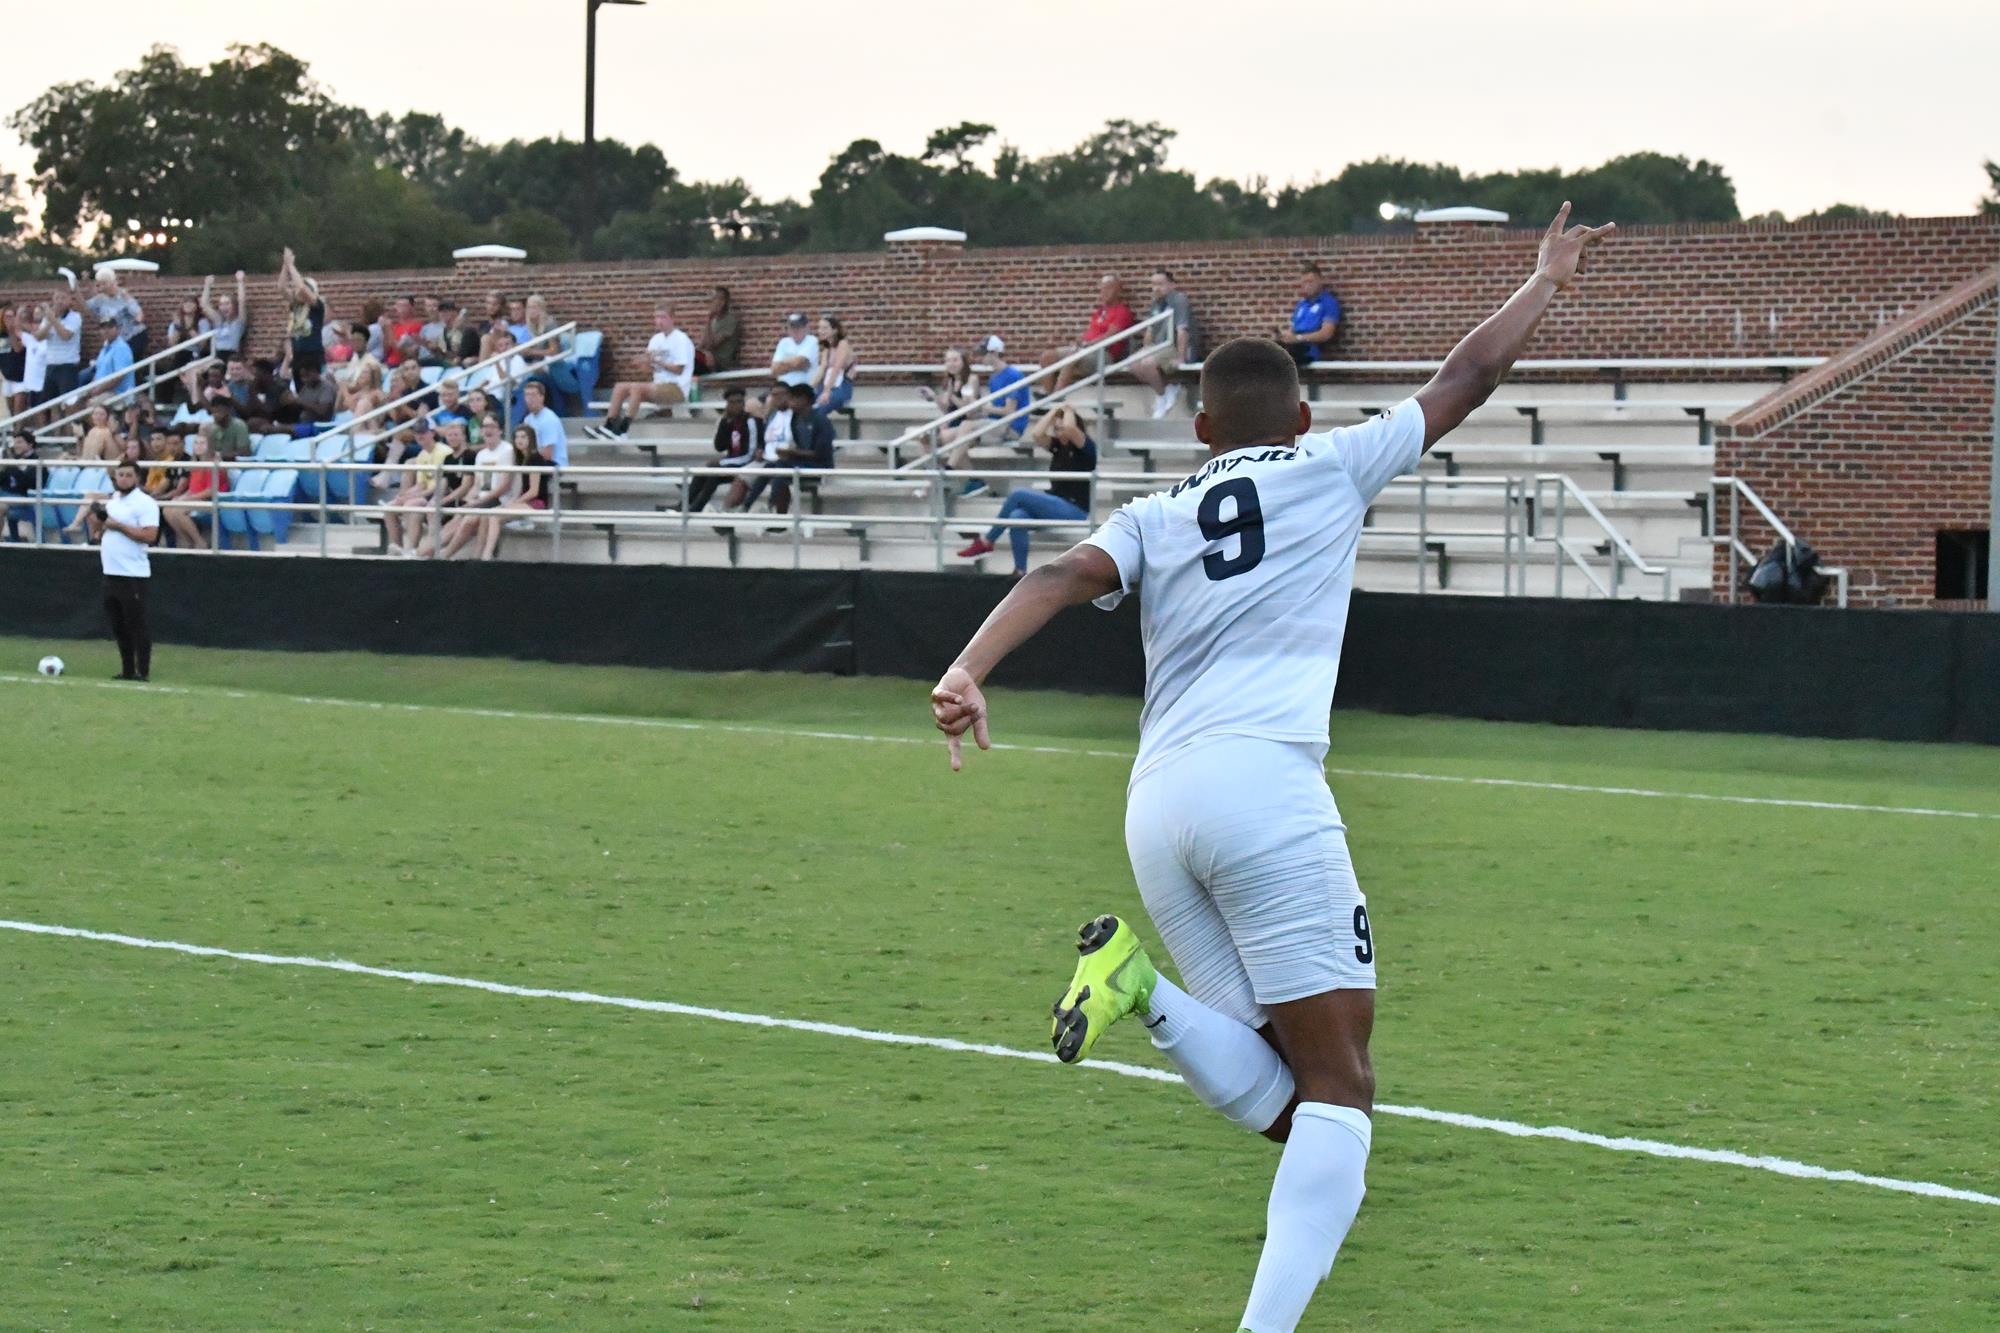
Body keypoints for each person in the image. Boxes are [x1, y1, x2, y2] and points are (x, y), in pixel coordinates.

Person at [927, 205, 1616, 1333]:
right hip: (1264, 790)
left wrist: (964, 668)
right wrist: (1543, 279)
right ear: (1300, 414)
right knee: (1340, 1089)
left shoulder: (1153, 512)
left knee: (1287, 1093)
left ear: (1199, 427)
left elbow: (1052, 576)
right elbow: (1467, 374)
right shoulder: (1330, 464)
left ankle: (1135, 988)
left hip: (1158, 808)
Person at [954, 403, 1098, 574]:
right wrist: (1053, 412)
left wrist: (1067, 409)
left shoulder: (1086, 448)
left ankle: (987, 541)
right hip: (1054, 504)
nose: (1060, 432)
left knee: (1018, 494)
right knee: (1017, 517)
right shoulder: (1058, 447)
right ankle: (1020, 570)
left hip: (1075, 509)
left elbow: (1069, 426)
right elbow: (1037, 434)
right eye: (1056, 429)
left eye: (1062, 429)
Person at [85, 460, 161, 680]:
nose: (124, 479)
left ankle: (142, 670)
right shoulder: (114, 501)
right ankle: (127, 669)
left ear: (137, 478)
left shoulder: (145, 503)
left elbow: (149, 536)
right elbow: (99, 530)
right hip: (111, 571)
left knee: (136, 623)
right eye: (120, 475)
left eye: (128, 475)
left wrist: (118, 525)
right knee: (118, 625)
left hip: (133, 574)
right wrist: (96, 519)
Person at [936, 336, 1030, 498]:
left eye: (983, 354)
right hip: (993, 424)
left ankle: (947, 472)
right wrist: (976, 409)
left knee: (966, 426)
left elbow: (1009, 411)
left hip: (1010, 427)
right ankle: (976, 480)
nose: (980, 358)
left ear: (994, 353)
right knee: (944, 437)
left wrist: (982, 406)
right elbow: (991, 411)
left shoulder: (1013, 375)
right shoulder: (994, 378)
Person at [593, 305, 694, 439]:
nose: (659, 321)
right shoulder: (655, 340)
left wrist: (657, 362)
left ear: (672, 318)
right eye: (656, 317)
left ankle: (623, 429)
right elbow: (652, 369)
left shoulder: (681, 340)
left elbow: (679, 370)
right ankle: (609, 425)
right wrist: (644, 364)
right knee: (620, 387)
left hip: (676, 388)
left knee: (636, 388)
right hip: (658, 385)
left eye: (663, 317)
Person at [1129, 268, 1202, 418]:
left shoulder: (1179, 300)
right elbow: (1150, 331)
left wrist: (1181, 358)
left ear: (1171, 285)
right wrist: (1145, 348)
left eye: (1160, 284)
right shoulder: (1156, 304)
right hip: (1160, 348)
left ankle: (1162, 397)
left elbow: (1183, 331)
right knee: (1133, 364)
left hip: (1175, 348)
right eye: (1153, 284)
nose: (1156, 288)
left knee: (1148, 363)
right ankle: (1166, 388)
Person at [1042, 275, 1135, 391]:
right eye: (1102, 289)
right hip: (1086, 350)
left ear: (1118, 291)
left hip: (1103, 355)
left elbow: (1110, 337)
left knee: (1073, 356)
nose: (1104, 292)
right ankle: (1048, 396)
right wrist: (1080, 341)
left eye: (1108, 289)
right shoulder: (1101, 311)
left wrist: (1087, 345)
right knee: (1047, 356)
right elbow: (1091, 332)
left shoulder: (1122, 312)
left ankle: (1056, 397)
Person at [685, 387, 762, 512]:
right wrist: (724, 423)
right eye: (732, 403)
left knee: (713, 473)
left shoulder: (752, 422)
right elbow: (719, 447)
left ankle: (695, 509)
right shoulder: (728, 422)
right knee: (702, 472)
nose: (736, 405)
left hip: (746, 466)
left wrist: (721, 463)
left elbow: (749, 454)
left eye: (739, 402)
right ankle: (683, 505)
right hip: (731, 465)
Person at [383, 418, 452, 556]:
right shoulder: (422, 455)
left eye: (423, 432)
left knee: (413, 504)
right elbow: (421, 484)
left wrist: (413, 496)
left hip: (442, 494)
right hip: (428, 493)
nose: (420, 435)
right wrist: (403, 495)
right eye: (417, 433)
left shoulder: (444, 452)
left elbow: (441, 485)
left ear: (432, 433)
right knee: (390, 507)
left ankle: (411, 550)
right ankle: (396, 547)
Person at [767, 381, 835, 515]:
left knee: (781, 470)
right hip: (801, 463)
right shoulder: (795, 419)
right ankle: (748, 506)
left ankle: (774, 507)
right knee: (770, 467)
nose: (789, 402)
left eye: (792, 398)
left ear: (804, 400)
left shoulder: (820, 421)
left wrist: (792, 452)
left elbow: (821, 454)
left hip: (820, 466)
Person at [1278, 262, 1342, 368]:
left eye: (1311, 282)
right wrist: (1285, 336)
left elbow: (1326, 334)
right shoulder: (1302, 304)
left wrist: (1298, 338)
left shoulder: (1328, 302)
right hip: (1294, 346)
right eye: (1304, 282)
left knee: (1279, 358)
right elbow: (1292, 330)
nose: (1308, 286)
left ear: (1320, 280)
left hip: (1309, 351)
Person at [280, 249, 327, 374]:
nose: (297, 290)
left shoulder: (317, 305)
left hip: (313, 354)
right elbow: (281, 287)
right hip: (298, 354)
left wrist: (291, 265)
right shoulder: (295, 305)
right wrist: (285, 265)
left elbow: (301, 288)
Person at [34, 288, 84, 405]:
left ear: (69, 301)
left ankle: (71, 423)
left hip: (67, 366)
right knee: (52, 404)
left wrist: (53, 319)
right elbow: (39, 337)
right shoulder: (48, 317)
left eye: (63, 298)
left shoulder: (75, 317)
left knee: (69, 404)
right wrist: (50, 321)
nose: (59, 301)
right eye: (57, 298)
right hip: (51, 365)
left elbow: (65, 335)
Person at [85, 273, 148, 361]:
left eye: (104, 284)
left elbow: (137, 312)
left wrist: (138, 318)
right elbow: (85, 306)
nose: (101, 287)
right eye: (99, 284)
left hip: (134, 336)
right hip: (117, 338)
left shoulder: (123, 295)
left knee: (126, 363)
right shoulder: (100, 299)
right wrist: (76, 288)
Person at [199, 270, 248, 360]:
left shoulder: (238, 322)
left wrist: (240, 282)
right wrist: (207, 285)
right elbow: (204, 305)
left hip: (231, 356)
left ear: (233, 305)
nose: (224, 307)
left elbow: (242, 301)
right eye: (221, 304)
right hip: (216, 355)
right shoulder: (219, 321)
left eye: (227, 303)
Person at [812, 315, 856, 413]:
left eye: (825, 328)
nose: (821, 331)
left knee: (820, 409)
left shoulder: (843, 344)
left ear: (834, 330)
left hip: (841, 386)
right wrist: (808, 388)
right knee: (801, 403)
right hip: (824, 385)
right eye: (819, 328)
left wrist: (827, 391)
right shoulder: (826, 346)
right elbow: (822, 369)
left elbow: (837, 368)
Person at [519, 379, 569, 467]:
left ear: (542, 397)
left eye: (533, 395)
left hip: (554, 466)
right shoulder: (527, 419)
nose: (529, 399)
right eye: (527, 395)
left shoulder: (549, 419)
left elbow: (547, 454)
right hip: (537, 463)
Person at [2, 428, 39, 541]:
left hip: (24, 497)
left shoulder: (37, 462)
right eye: (15, 442)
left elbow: (31, 484)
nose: (16, 446)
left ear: (30, 444)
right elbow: (5, 481)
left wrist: (15, 468)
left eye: (19, 442)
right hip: (8, 494)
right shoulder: (13, 460)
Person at [696, 285, 740, 374]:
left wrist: (708, 320)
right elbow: (702, 344)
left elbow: (712, 345)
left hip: (721, 362)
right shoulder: (714, 321)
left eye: (714, 299)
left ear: (722, 302)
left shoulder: (730, 320)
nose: (711, 302)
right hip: (708, 359)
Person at [89, 316, 135, 397]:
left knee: (91, 404)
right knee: (69, 403)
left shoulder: (121, 348)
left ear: (117, 329)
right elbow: (98, 373)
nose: (106, 331)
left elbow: (118, 378)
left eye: (110, 327)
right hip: (101, 391)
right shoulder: (104, 348)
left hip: (118, 393)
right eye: (103, 328)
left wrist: (97, 391)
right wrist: (90, 389)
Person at [771, 312, 819, 388]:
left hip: (802, 389)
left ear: (806, 327)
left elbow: (801, 363)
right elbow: (774, 369)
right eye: (792, 327)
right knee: (753, 400)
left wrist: (783, 363)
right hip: (783, 388)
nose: (795, 331)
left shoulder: (812, 341)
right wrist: (793, 364)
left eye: (798, 327)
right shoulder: (783, 342)